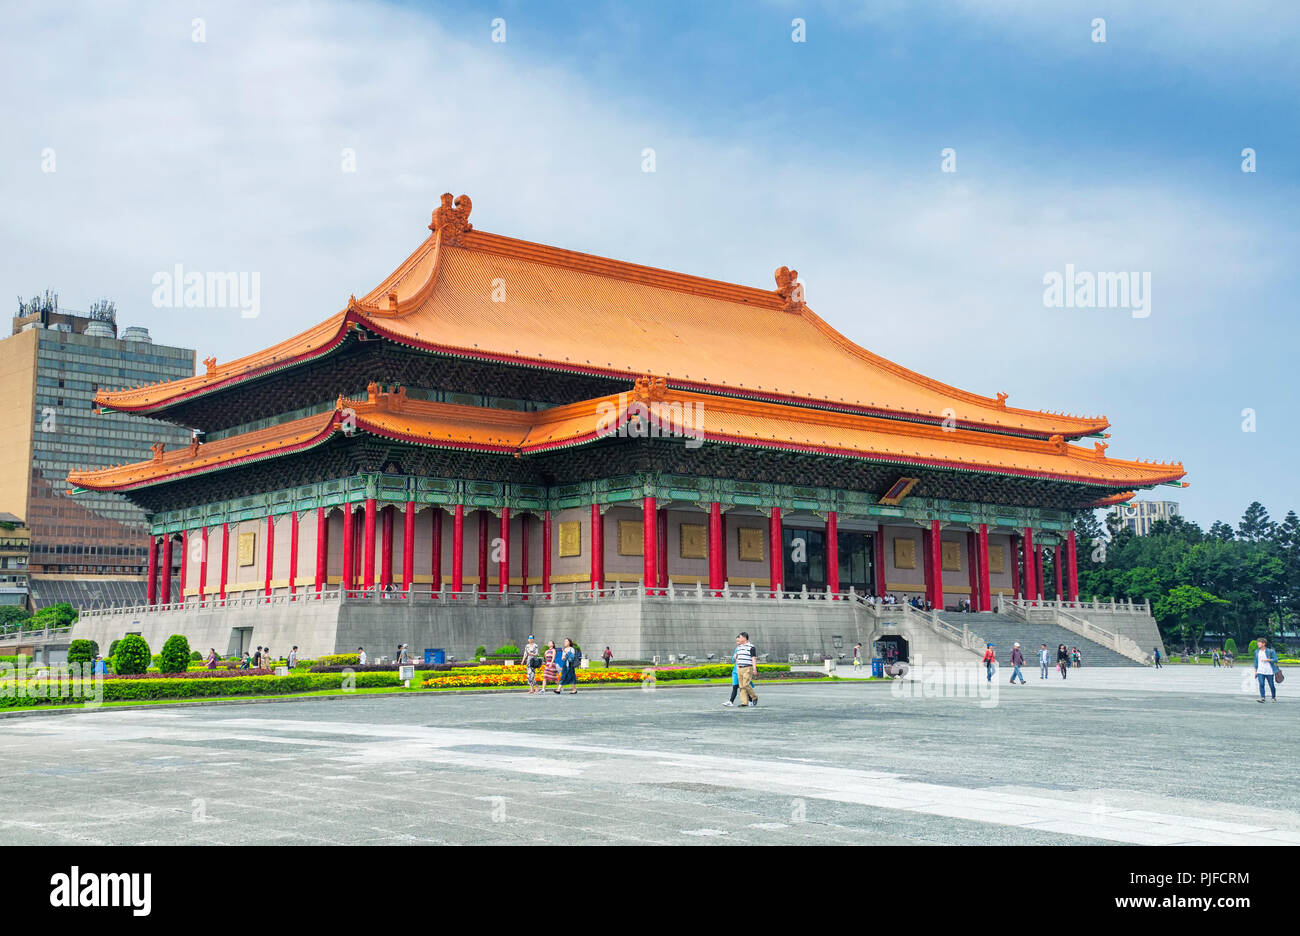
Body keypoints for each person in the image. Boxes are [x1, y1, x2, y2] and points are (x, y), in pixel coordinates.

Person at [735, 632, 758, 706]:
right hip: (740, 668)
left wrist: (754, 668)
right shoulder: (739, 647)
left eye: (740, 637)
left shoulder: (751, 647)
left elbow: (753, 658)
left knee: (746, 684)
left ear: (744, 638)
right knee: (741, 686)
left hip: (748, 667)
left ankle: (754, 697)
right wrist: (737, 668)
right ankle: (744, 702)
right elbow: (737, 658)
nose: (739, 639)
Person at [1255, 638, 1279, 703]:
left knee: (1271, 685)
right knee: (1261, 684)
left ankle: (1273, 697)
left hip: (1269, 671)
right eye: (1258, 643)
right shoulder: (1256, 651)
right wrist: (1255, 671)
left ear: (1264, 644)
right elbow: (1256, 662)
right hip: (1260, 671)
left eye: (1259, 643)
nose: (1258, 644)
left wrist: (1268, 660)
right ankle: (1263, 698)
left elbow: (1276, 659)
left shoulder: (1271, 651)